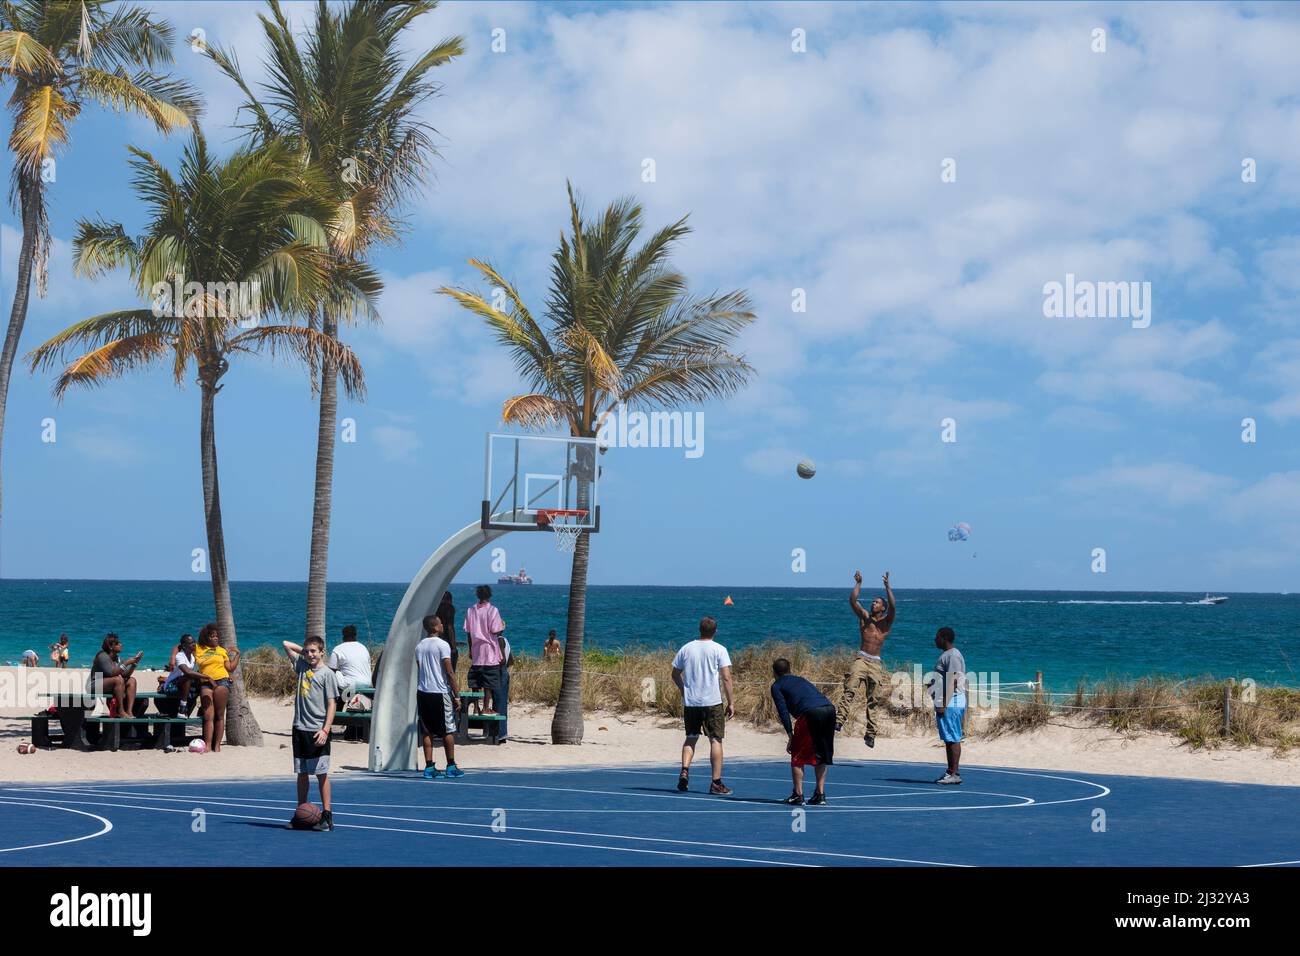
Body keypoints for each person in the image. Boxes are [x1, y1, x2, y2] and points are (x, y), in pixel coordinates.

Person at [671, 616, 734, 795]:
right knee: (715, 740)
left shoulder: (686, 648)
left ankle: (684, 770)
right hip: (711, 701)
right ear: (715, 631)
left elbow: (675, 674)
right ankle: (716, 782)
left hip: (691, 702)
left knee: (691, 737)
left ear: (700, 629)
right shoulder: (719, 649)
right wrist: (731, 702)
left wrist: (684, 690)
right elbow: (726, 677)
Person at [281, 637, 338, 831]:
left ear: (323, 652)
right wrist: (304, 653)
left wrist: (325, 730)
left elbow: (332, 704)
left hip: (317, 730)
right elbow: (286, 644)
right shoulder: (302, 667)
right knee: (302, 773)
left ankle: (327, 816)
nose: (310, 654)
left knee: (321, 774)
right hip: (299, 728)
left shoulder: (328, 674)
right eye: (307, 651)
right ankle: (301, 812)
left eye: (314, 651)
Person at [835, 570, 896, 748]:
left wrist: (887, 586)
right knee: (850, 688)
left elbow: (893, 605)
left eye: (876, 602)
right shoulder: (864, 618)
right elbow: (852, 601)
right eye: (873, 602)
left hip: (876, 663)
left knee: (873, 699)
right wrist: (858, 583)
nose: (873, 603)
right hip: (861, 659)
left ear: (882, 608)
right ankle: (839, 720)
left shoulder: (886, 623)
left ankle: (870, 734)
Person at [770, 658, 835, 805]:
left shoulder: (777, 686)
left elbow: (783, 711)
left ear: (774, 672)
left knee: (797, 755)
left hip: (810, 713)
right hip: (829, 710)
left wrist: (790, 735)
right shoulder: (801, 680)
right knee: (821, 754)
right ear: (789, 669)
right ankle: (820, 794)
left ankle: (798, 795)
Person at [416, 614, 463, 779]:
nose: (443, 625)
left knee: (427, 731)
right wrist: (457, 695)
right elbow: (449, 672)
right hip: (440, 692)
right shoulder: (443, 645)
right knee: (448, 729)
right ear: (435, 627)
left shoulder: (419, 646)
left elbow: (419, 668)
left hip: (422, 692)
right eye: (441, 623)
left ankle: (429, 766)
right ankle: (451, 765)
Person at [194, 622, 239, 753]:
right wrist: (174, 657)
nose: (215, 638)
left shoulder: (221, 651)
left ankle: (217, 746)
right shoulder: (199, 649)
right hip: (206, 683)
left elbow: (230, 667)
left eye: (217, 636)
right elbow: (179, 647)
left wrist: (237, 655)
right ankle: (208, 745)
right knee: (208, 716)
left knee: (219, 716)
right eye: (212, 636)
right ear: (206, 637)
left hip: (222, 682)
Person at [931, 627, 966, 786]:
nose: (935, 639)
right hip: (948, 700)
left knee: (953, 738)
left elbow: (953, 680)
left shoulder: (953, 655)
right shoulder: (947, 655)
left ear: (944, 637)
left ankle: (955, 773)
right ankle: (950, 771)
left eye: (937, 636)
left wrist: (943, 703)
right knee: (949, 738)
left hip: (951, 701)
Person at [464, 585, 505, 716]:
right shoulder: (493, 610)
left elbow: (468, 632)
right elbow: (495, 630)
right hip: (489, 651)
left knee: (475, 682)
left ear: (478, 595)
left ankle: (476, 708)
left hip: (476, 650)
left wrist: (470, 649)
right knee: (488, 682)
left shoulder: (471, 610)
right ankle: (486, 708)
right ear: (489, 595)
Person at [90, 634, 143, 718]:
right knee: (118, 680)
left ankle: (129, 711)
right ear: (111, 646)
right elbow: (112, 673)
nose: (121, 644)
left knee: (132, 680)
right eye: (118, 643)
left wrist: (134, 664)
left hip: (110, 685)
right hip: (95, 684)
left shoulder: (117, 658)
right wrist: (126, 662)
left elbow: (125, 674)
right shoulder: (102, 656)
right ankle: (120, 711)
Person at [157, 634, 205, 718]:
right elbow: (187, 672)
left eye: (194, 642)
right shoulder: (180, 656)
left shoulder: (192, 657)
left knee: (202, 682)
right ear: (184, 646)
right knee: (189, 675)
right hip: (171, 686)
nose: (194, 644)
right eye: (191, 643)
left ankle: (202, 709)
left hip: (183, 684)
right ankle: (182, 708)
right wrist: (206, 676)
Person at [328, 624, 372, 706]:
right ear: (355, 635)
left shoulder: (338, 649)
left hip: (350, 685)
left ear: (343, 636)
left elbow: (331, 671)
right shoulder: (363, 648)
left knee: (334, 672)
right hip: (367, 683)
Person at [496, 633, 514, 743]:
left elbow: (501, 659)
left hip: (499, 672)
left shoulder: (499, 640)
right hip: (505, 672)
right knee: (502, 703)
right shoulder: (506, 640)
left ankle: (500, 733)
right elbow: (511, 660)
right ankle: (502, 733)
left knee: (499, 703)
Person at [436, 590, 458, 674]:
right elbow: (450, 627)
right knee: (451, 664)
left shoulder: (436, 607)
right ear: (449, 600)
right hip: (446, 640)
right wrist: (453, 647)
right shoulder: (449, 608)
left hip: (437, 637)